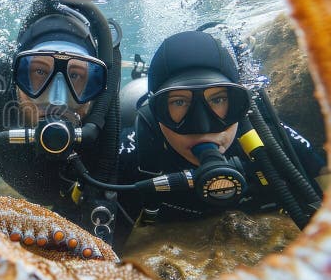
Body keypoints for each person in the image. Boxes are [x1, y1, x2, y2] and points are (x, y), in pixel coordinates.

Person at [0, 0, 129, 245]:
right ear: (15, 80)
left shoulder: (111, 143)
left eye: (75, 76)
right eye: (40, 72)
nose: (58, 99)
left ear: (98, 89)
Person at [115, 30, 326, 229]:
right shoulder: (136, 151)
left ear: (239, 105)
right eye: (179, 102)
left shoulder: (269, 139)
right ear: (157, 113)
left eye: (218, 99)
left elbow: (324, 175)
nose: (202, 128)